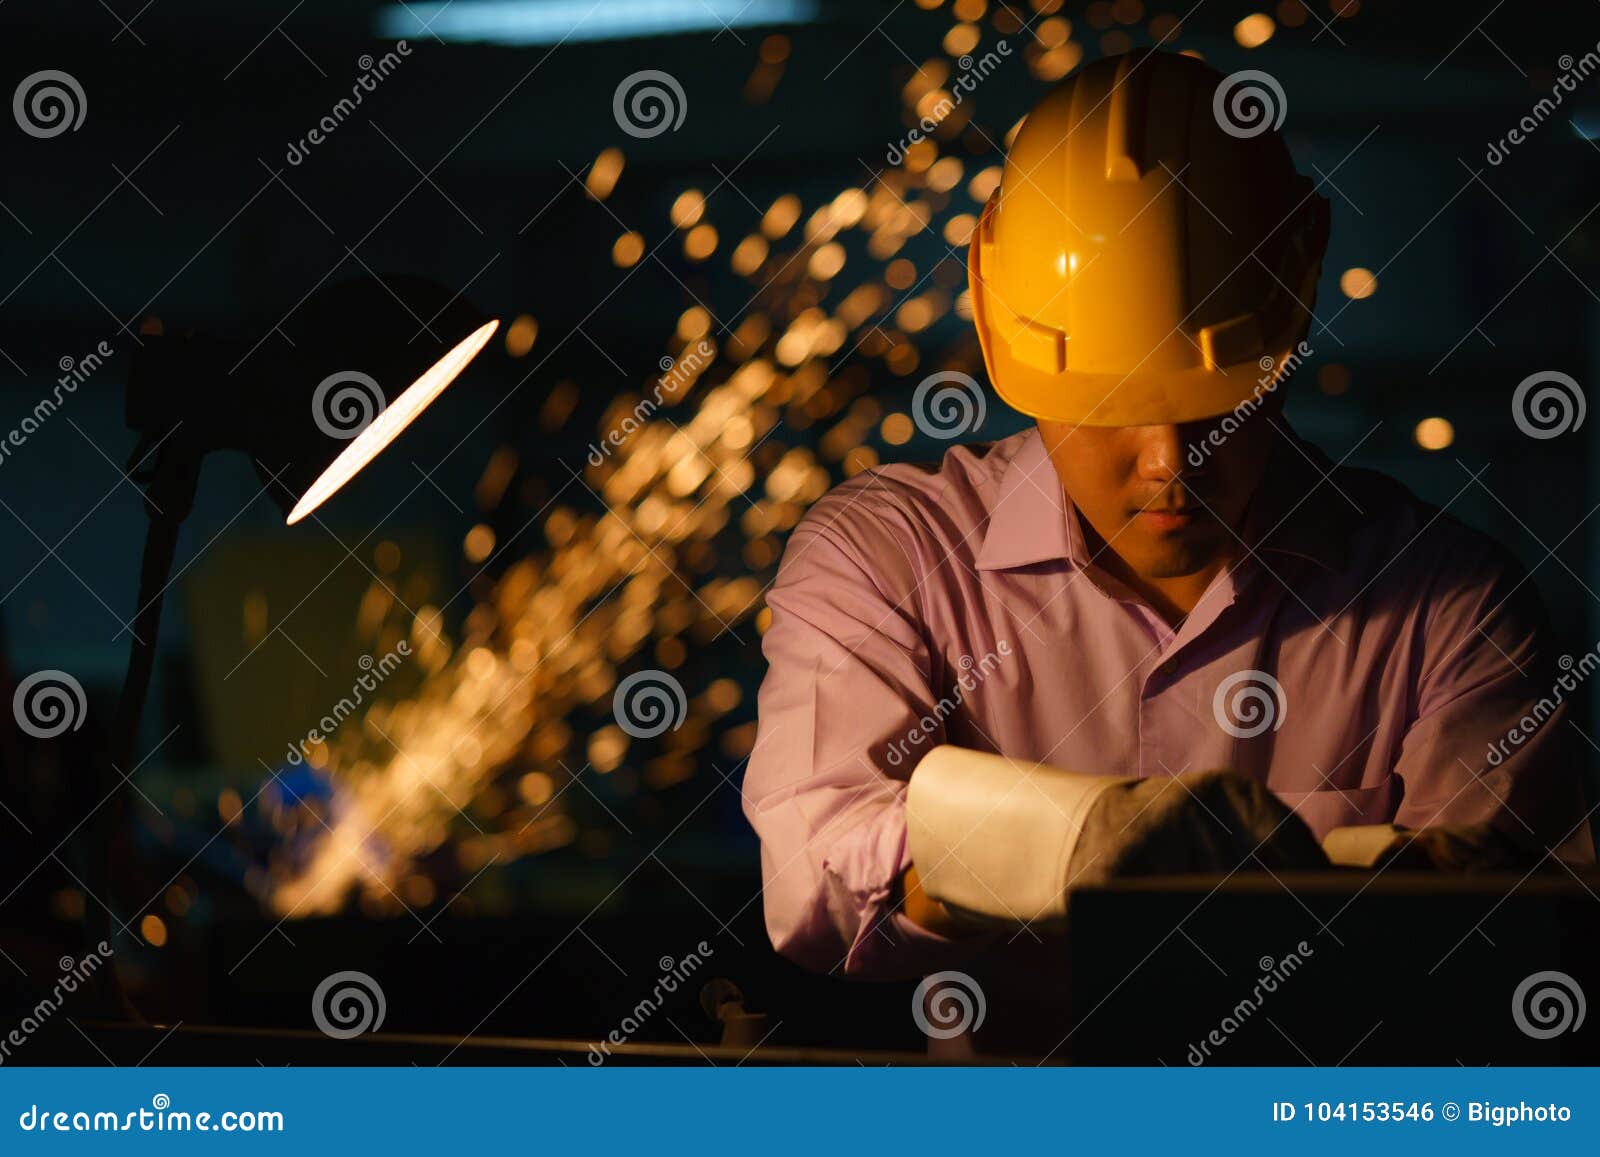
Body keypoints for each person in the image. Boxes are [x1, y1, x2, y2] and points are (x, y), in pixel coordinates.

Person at [740, 50, 1595, 1054]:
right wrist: (1067, 846)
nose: (1166, 464)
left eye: (1211, 405)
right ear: (991, 305)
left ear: (1299, 283)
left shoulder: (1449, 607)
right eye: (1106, 407)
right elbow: (813, 874)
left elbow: (1512, 956)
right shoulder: (889, 557)